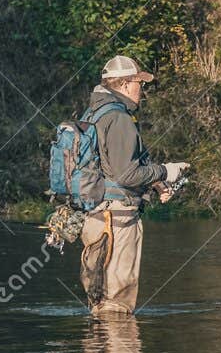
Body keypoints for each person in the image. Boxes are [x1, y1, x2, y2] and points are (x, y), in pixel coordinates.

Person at [78, 55, 189, 316]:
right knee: (117, 302)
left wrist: (156, 182)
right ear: (126, 84)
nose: (143, 90)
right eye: (140, 83)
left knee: (100, 300)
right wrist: (167, 171)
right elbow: (127, 174)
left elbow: (110, 167)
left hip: (94, 217)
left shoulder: (93, 113)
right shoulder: (118, 118)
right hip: (118, 220)